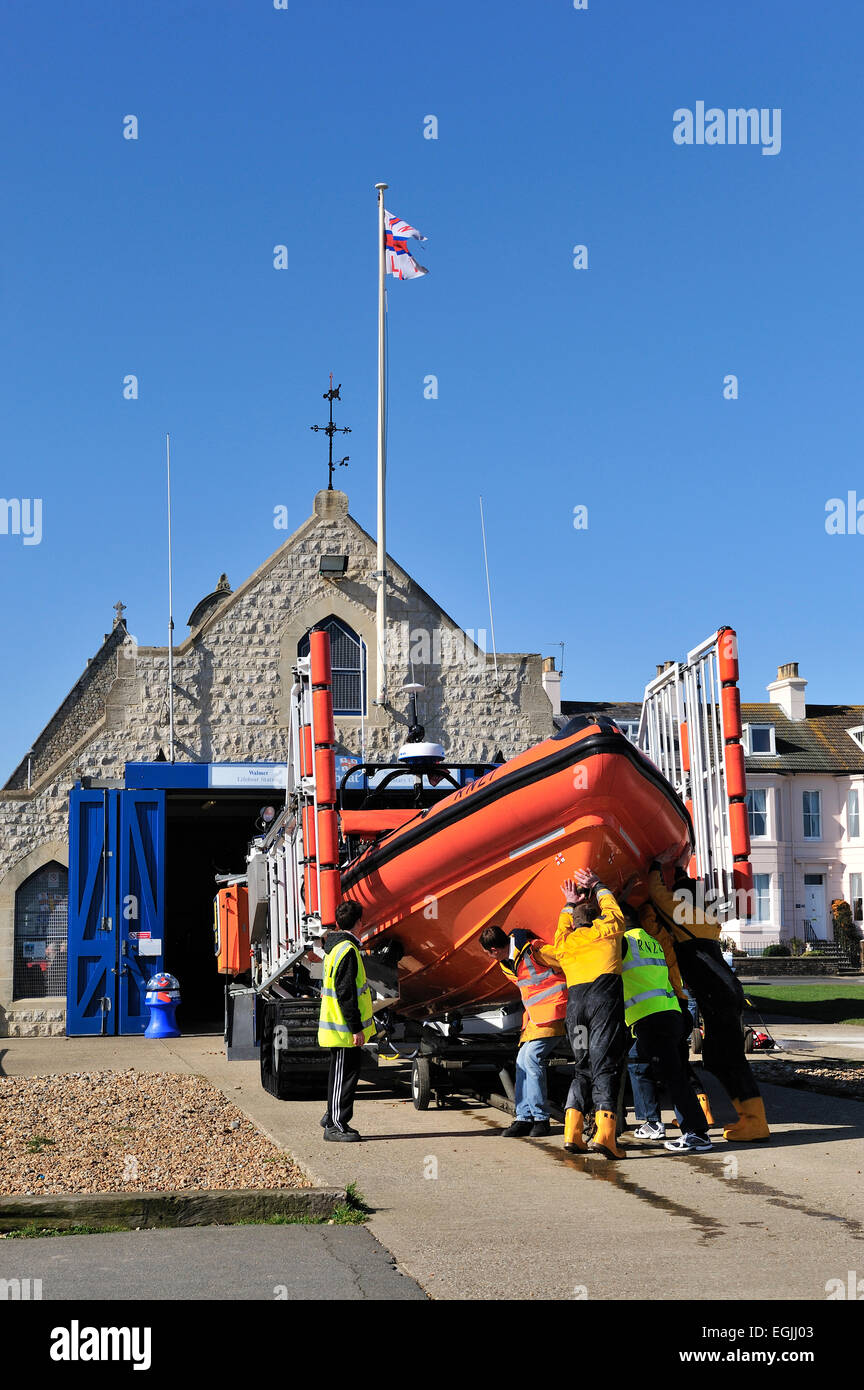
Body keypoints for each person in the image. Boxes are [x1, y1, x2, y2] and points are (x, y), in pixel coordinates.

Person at [645, 861, 769, 1142]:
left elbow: (656, 893)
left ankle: (756, 1123)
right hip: (722, 993)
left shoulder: (686, 914)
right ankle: (749, 1118)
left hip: (719, 994)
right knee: (716, 1058)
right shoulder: (702, 916)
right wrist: (678, 873)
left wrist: (655, 864)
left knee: (729, 1059)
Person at [532, 870, 629, 1159]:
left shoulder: (564, 944)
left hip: (575, 1009)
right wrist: (598, 884)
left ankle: (572, 1133)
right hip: (603, 1003)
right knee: (605, 1065)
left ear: (575, 923)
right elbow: (614, 910)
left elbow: (561, 929)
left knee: (582, 1066)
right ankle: (606, 1134)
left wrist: (568, 902)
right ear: (596, 918)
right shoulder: (608, 930)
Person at [621, 920, 713, 1153]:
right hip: (668, 1013)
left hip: (651, 1019)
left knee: (674, 1076)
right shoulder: (652, 941)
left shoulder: (623, 943)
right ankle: (652, 1122)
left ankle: (697, 1133)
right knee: (637, 1061)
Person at [479, 924, 568, 1138]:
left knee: (531, 1060)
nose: (490, 959)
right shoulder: (507, 964)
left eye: (487, 954)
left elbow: (566, 962)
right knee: (521, 1062)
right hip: (535, 1019)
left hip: (555, 1011)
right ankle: (523, 1117)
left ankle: (540, 1119)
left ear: (494, 950)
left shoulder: (534, 949)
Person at [317, 900, 375, 1142]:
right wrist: (356, 1028)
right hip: (343, 1028)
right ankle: (336, 1125)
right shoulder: (348, 951)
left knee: (341, 1074)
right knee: (345, 1075)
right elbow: (346, 993)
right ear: (359, 923)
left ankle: (332, 1117)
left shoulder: (335, 947)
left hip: (337, 1026)